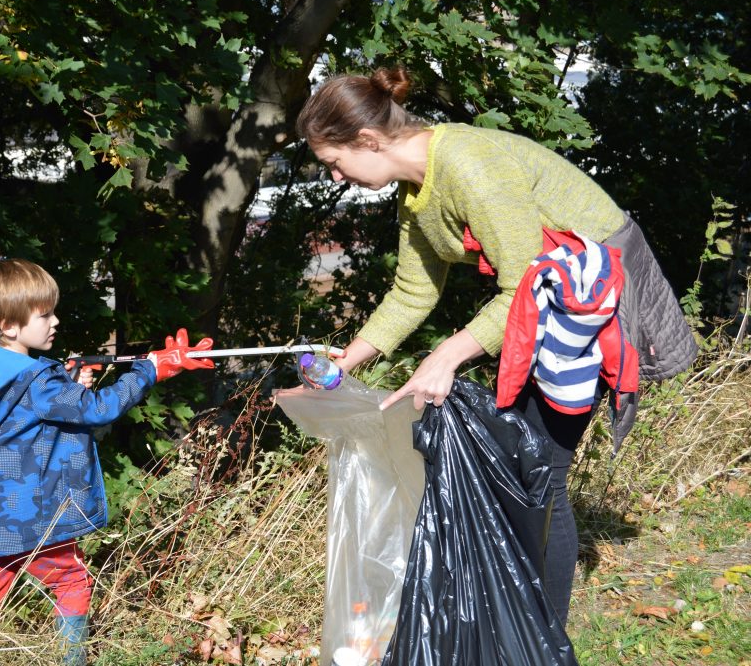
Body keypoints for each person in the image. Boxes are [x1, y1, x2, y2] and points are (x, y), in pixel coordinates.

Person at [295, 67, 696, 626]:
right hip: (546, 304)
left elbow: (522, 284)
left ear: (367, 140)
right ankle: (519, 616)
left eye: (334, 162)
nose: (335, 176)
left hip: (593, 297)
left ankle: (540, 639)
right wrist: (351, 356)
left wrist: (448, 354)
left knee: (539, 470)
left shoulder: (469, 166)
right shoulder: (416, 191)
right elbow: (414, 289)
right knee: (518, 459)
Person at [0, 258, 214, 665]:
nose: (55, 321)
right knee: (71, 582)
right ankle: (73, 660)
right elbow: (99, 409)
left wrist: (69, 384)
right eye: (45, 314)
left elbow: (32, 415)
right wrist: (150, 369)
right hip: (37, 522)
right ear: (8, 325)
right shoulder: (39, 381)